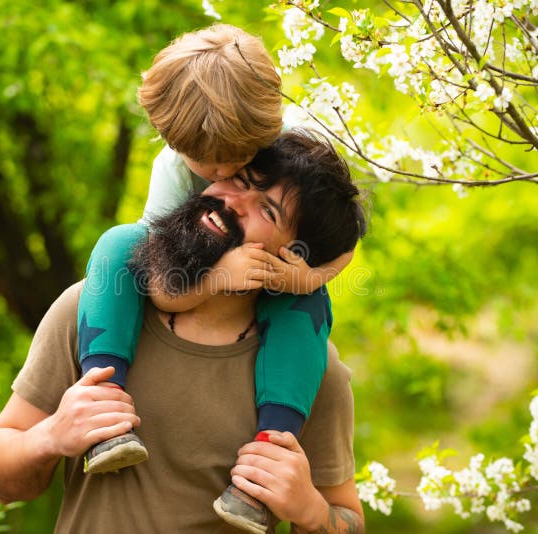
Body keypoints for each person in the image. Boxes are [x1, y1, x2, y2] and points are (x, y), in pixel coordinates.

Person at [0, 130, 367, 533]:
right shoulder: (90, 308)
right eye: (239, 180)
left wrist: (310, 511)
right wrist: (50, 436)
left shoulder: (315, 371)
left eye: (266, 211)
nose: (231, 203)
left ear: (294, 256)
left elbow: (347, 517)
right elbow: (1, 481)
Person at [76, 24, 355, 527]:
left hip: (277, 270)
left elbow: (345, 243)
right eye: (209, 166)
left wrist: (306, 280)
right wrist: (216, 277)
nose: (221, 172)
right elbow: (158, 284)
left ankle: (269, 457)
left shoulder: (305, 140)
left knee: (308, 309)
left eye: (238, 160)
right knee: (117, 245)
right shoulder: (172, 172)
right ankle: (104, 408)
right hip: (193, 269)